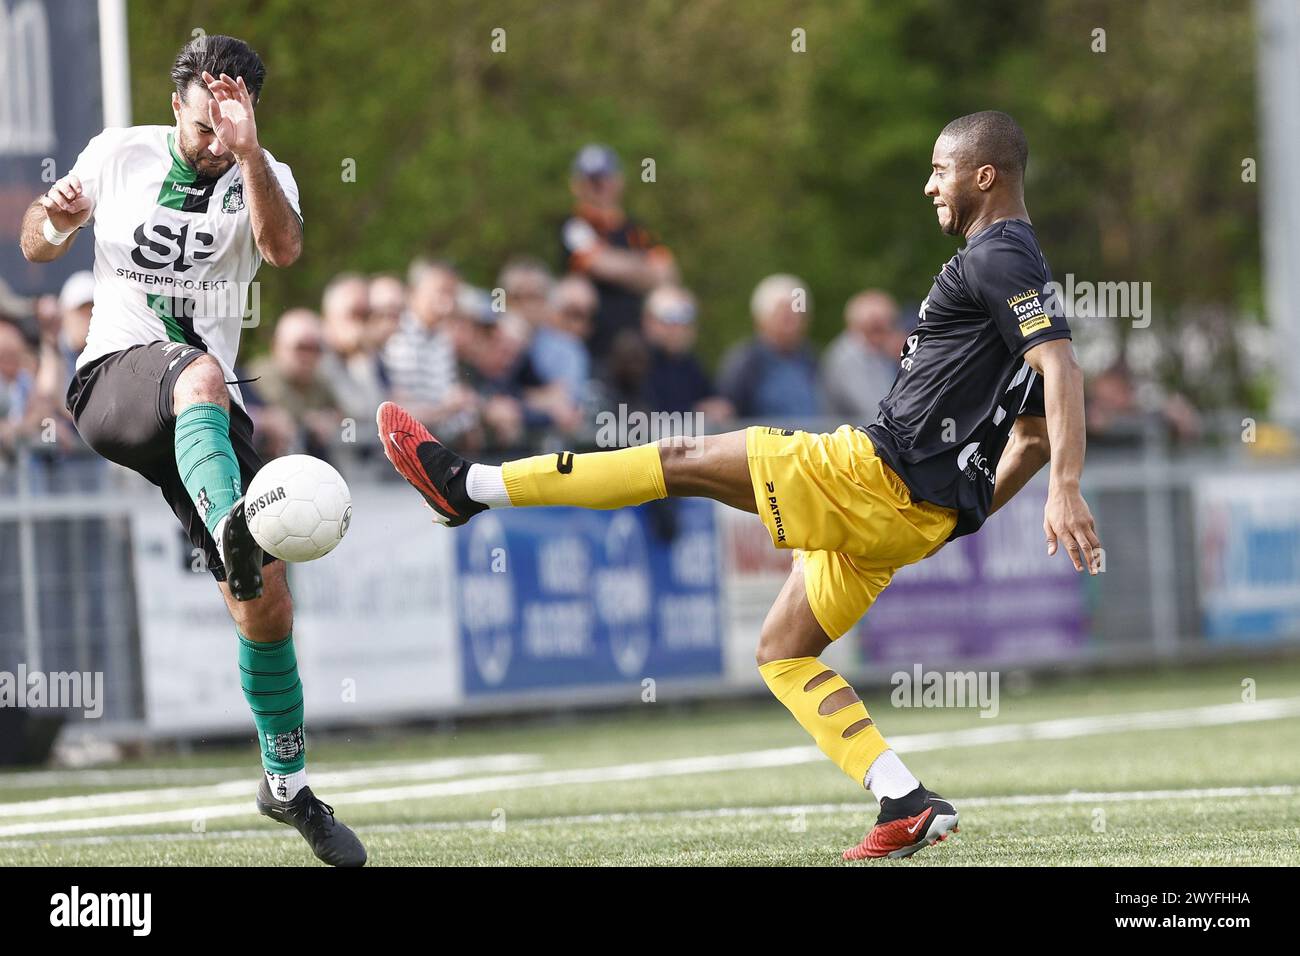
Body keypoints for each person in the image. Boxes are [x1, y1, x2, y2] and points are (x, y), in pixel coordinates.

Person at [376, 110, 1100, 862]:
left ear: (985, 176)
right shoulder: (1027, 270)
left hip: (872, 474)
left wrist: (1066, 488)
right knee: (784, 652)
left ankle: (469, 485)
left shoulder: (998, 256)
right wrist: (962, 516)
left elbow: (1062, 372)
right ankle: (902, 798)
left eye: (940, 171)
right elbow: (1035, 434)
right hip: (913, 517)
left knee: (679, 458)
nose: (929, 186)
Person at [16, 34, 364, 866]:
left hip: (202, 411)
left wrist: (247, 156)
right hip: (114, 383)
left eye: (231, 125)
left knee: (267, 602)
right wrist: (55, 219)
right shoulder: (121, 154)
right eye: (204, 126)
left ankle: (286, 785)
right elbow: (35, 241)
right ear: (177, 106)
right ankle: (234, 522)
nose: (214, 141)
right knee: (203, 372)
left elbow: (282, 251)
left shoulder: (263, 175)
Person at [559, 144, 677, 363]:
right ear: (577, 185)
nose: (600, 186)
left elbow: (667, 275)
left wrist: (619, 265)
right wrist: (641, 268)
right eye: (592, 181)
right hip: (594, 343)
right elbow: (601, 266)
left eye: (605, 178)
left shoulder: (635, 230)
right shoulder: (575, 226)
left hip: (637, 340)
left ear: (618, 181)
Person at [717, 274, 823, 419]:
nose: (791, 322)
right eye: (783, 315)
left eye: (797, 315)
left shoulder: (811, 359)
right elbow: (727, 413)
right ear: (761, 319)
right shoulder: (744, 362)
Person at [250, 309, 344, 458]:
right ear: (276, 346)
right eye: (301, 347)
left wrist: (331, 420)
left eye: (315, 349)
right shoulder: (258, 377)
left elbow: (343, 415)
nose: (308, 356)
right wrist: (312, 421)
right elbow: (283, 411)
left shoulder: (319, 381)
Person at [640, 284, 733, 423]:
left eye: (687, 317)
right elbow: (641, 414)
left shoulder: (690, 365)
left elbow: (713, 401)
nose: (679, 328)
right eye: (670, 317)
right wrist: (695, 413)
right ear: (649, 321)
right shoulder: (635, 364)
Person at [821, 290, 907, 421]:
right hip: (850, 438)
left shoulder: (881, 355)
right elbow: (874, 409)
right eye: (877, 326)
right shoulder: (846, 357)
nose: (888, 333)